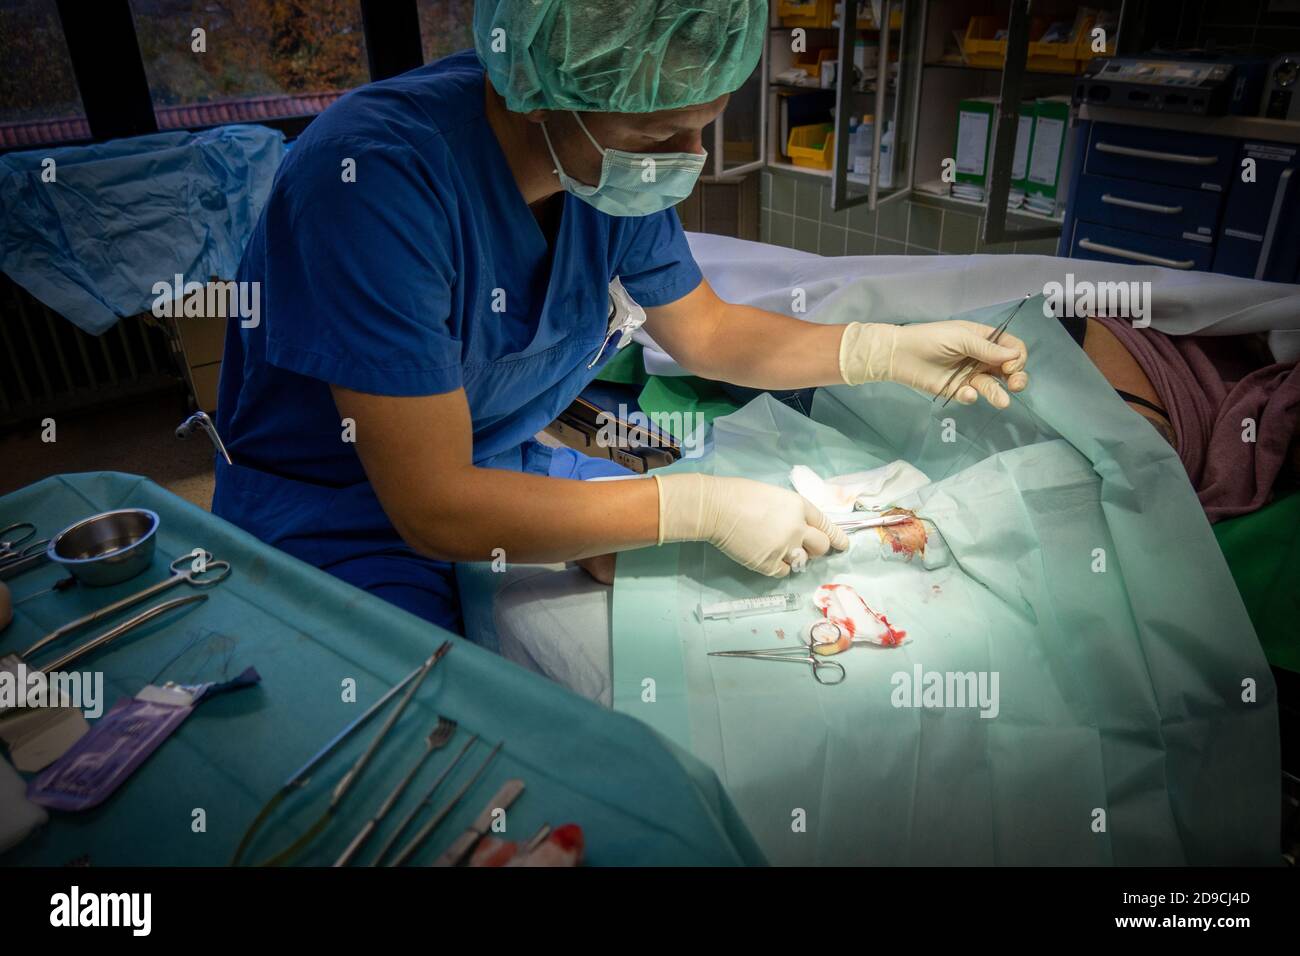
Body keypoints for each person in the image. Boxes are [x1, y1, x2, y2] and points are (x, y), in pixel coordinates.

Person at [212, 0, 1029, 634]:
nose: (688, 161)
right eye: (663, 133)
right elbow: (434, 506)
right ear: (541, 93)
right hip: (333, 516)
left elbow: (707, 332)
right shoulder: (370, 182)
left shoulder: (601, 168)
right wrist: (696, 507)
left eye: (702, 130)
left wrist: (883, 349)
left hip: (502, 468)